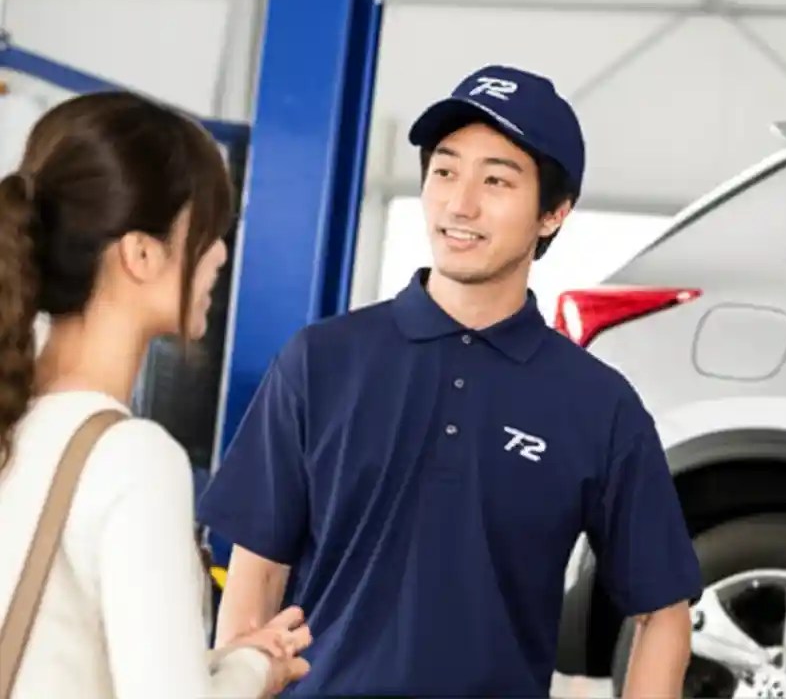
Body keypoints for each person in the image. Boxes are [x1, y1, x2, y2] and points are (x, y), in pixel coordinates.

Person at [197, 64, 704, 697]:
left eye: (496, 180)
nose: (460, 204)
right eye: (444, 170)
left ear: (553, 212)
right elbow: (258, 576)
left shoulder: (598, 405)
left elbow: (663, 610)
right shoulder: (319, 362)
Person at [0, 91, 312, 698]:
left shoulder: (18, 422)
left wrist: (220, 662)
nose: (220, 253)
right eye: (209, 229)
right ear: (140, 253)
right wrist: (254, 671)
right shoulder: (131, 457)